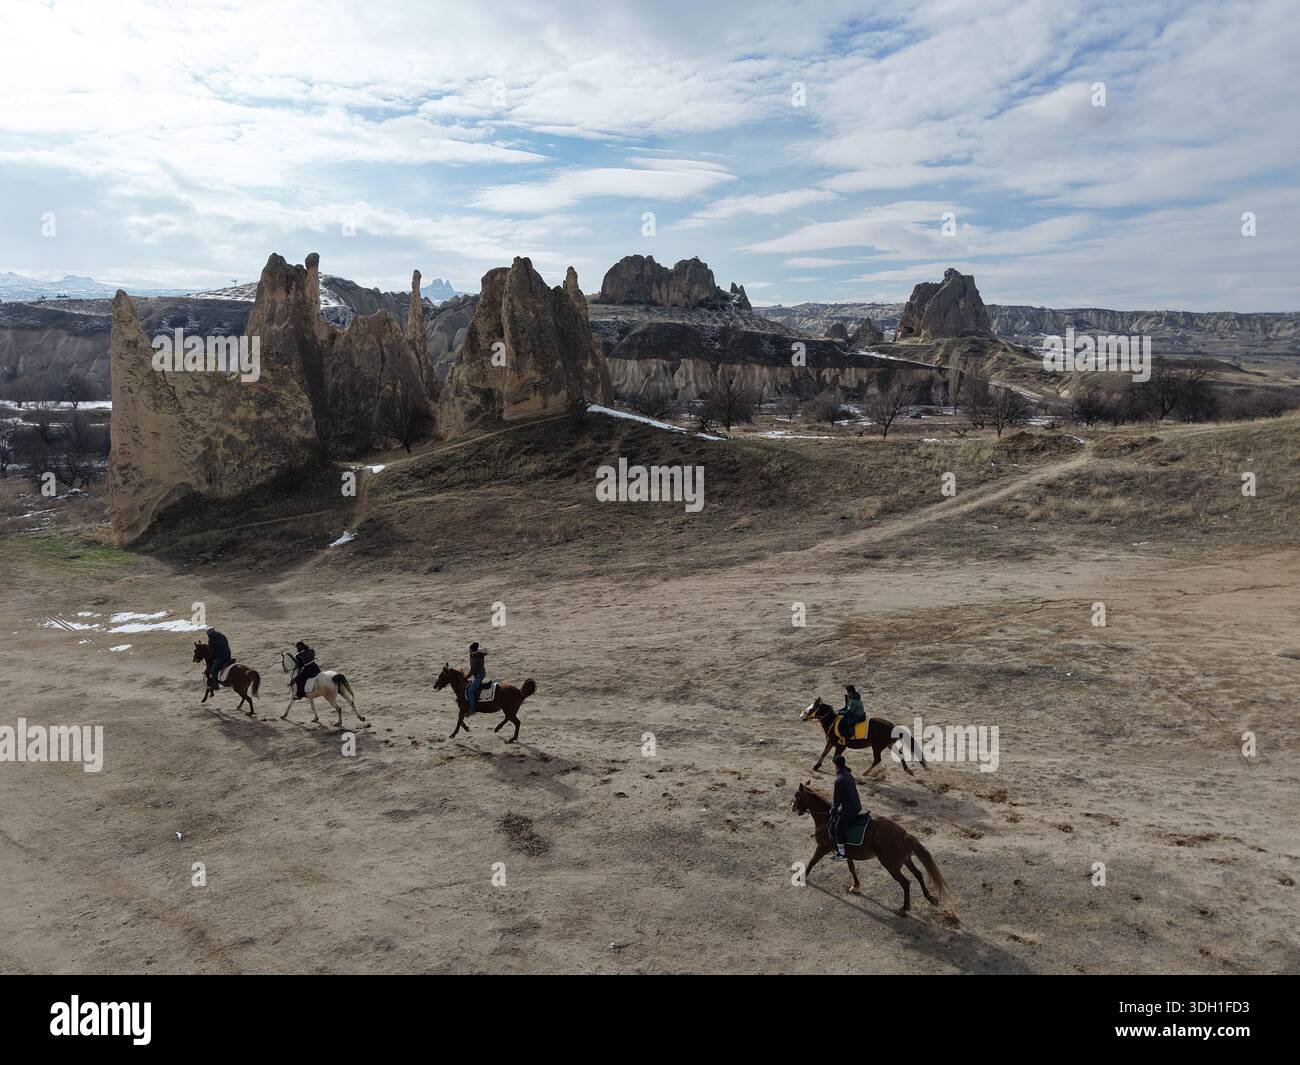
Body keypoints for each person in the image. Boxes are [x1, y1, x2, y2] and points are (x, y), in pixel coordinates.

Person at [830, 754, 864, 860]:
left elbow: (837, 800)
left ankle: (842, 853)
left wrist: (833, 810)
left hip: (850, 809)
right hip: (857, 806)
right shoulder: (849, 775)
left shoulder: (839, 780)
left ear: (836, 765)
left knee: (838, 827)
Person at [205, 627, 233, 693]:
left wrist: (211, 657)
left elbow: (212, 653)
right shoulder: (222, 636)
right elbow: (226, 643)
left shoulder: (211, 641)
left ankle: (215, 685)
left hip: (221, 657)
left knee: (213, 670)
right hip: (228, 654)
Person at [466, 641, 487, 714]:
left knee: (470, 691)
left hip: (478, 676)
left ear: (472, 649)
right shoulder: (479, 654)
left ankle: (472, 709)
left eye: (470, 649)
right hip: (482, 674)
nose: (469, 650)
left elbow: (472, 670)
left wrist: (466, 677)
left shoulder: (474, 657)